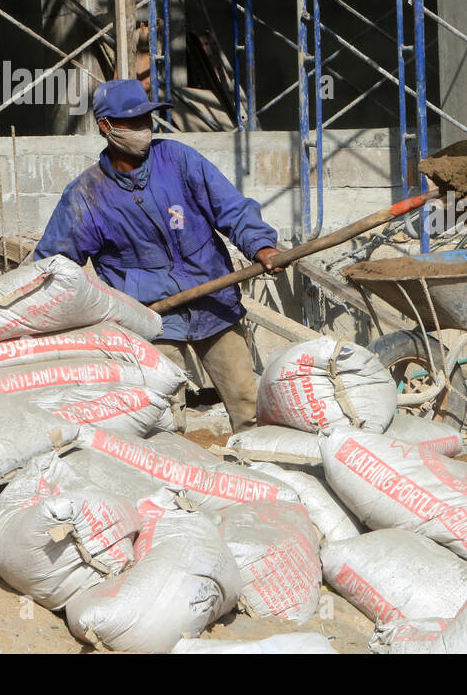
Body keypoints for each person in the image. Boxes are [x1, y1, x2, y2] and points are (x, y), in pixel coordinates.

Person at [34, 78, 284, 433]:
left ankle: (261, 473)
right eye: (133, 123)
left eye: (147, 121)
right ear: (106, 127)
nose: (144, 130)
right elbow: (54, 264)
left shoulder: (178, 160)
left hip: (213, 299)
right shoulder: (86, 195)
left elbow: (231, 209)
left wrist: (261, 245)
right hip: (153, 320)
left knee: (248, 403)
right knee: (165, 418)